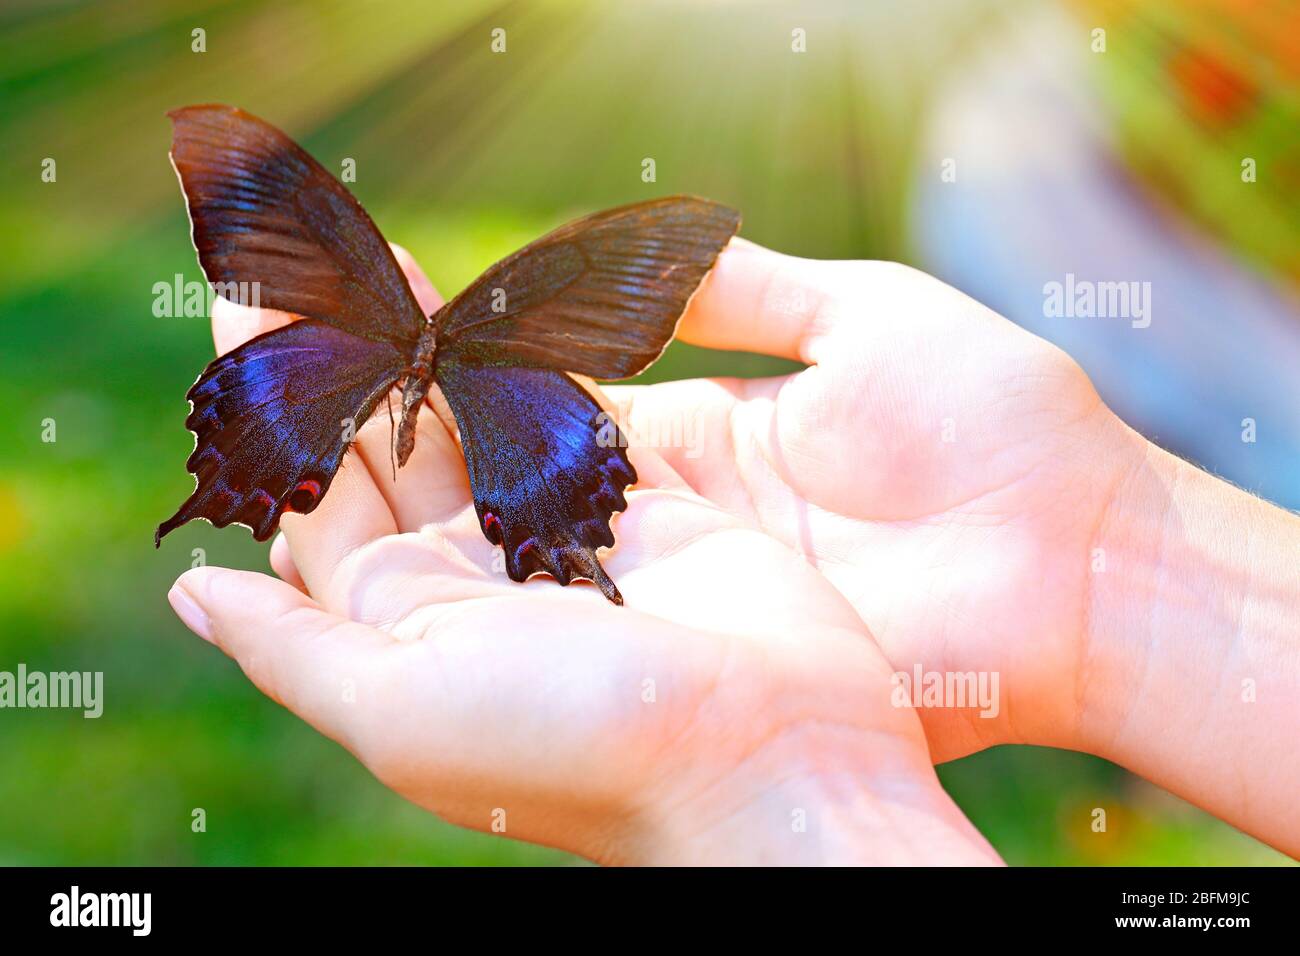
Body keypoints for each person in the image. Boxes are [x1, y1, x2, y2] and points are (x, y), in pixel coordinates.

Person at [166, 239, 1300, 865]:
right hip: (497, 401)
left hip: (512, 410)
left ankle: (523, 506)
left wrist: (753, 785)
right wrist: (1126, 559)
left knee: (500, 455)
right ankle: (448, 486)